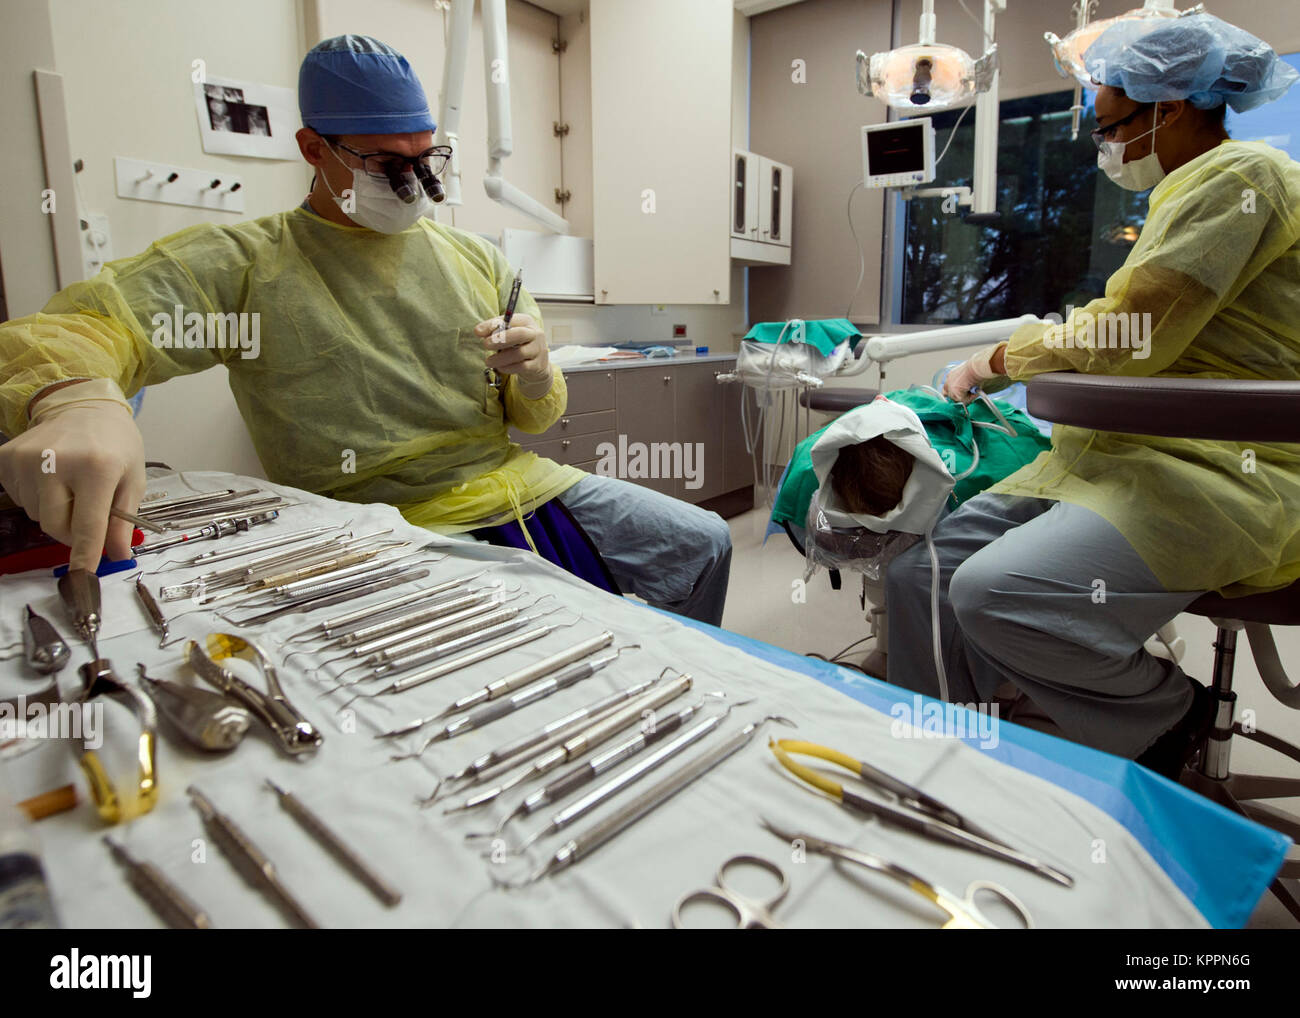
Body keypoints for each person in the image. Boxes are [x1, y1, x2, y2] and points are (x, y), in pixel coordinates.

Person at [0, 35, 731, 625]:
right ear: (314, 148)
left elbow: (537, 417)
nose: (414, 182)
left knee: (704, 543)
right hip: (373, 520)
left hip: (516, 482)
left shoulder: (474, 258)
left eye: (426, 158)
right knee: (537, 638)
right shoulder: (247, 265)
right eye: (386, 162)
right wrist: (75, 397)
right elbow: (90, 325)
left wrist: (537, 375)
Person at [885, 12, 1300, 777]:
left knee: (993, 593)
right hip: (1109, 458)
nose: (1104, 147)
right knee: (919, 576)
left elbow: (1138, 330)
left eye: (1111, 128)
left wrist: (997, 361)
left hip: (1215, 468)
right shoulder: (1181, 194)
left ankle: (1165, 714)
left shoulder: (1244, 180)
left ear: (1169, 109)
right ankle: (946, 760)